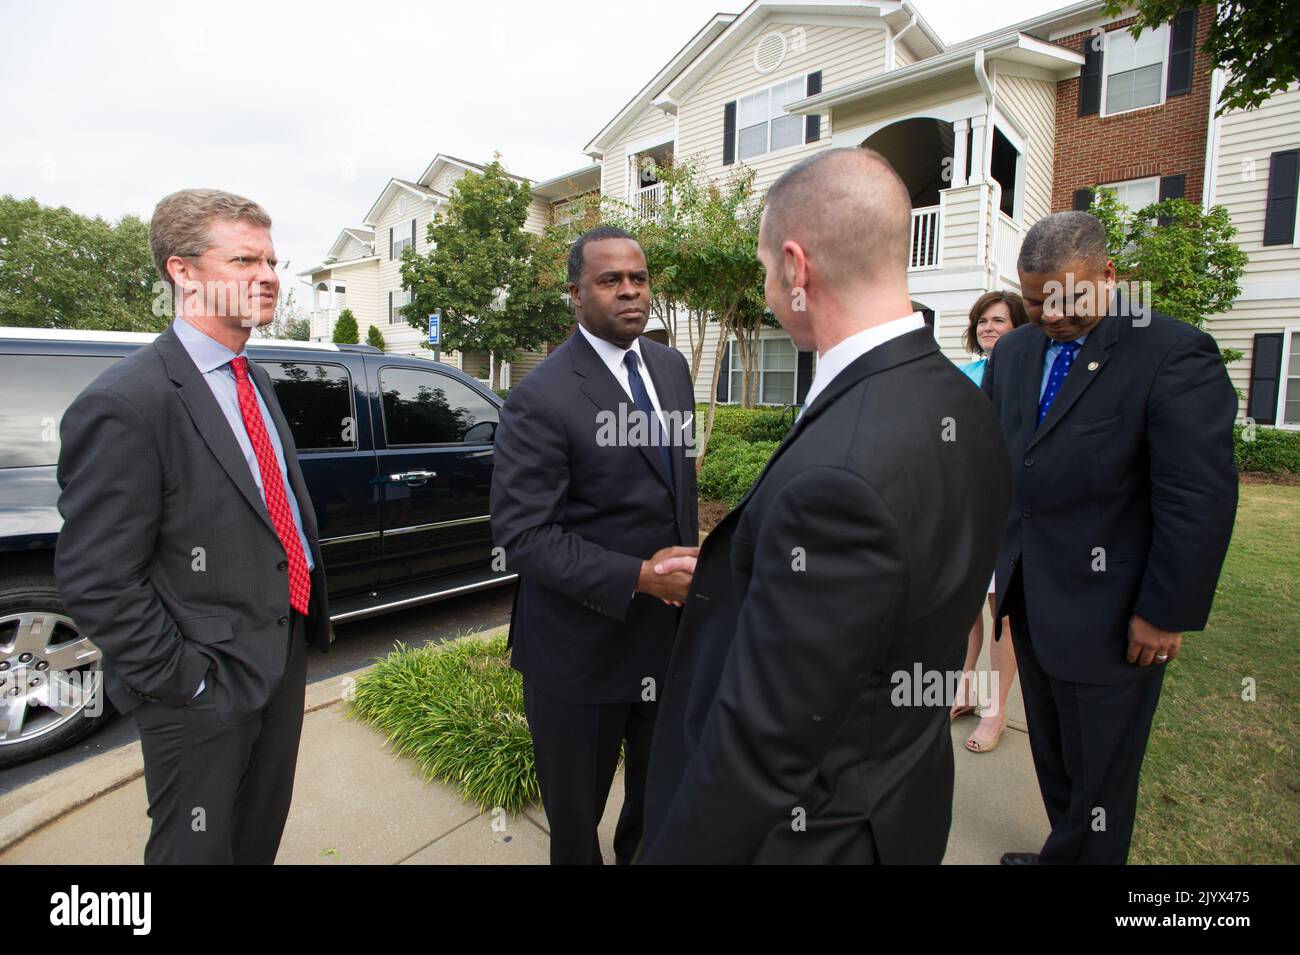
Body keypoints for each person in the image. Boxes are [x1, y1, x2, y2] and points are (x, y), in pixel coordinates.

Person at [640, 148, 1012, 864]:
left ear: (796, 266)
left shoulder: (839, 481)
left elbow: (763, 745)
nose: (767, 292)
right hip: (906, 796)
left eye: (763, 272)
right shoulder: (966, 403)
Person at [55, 189, 333, 864]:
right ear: (183, 272)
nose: (269, 275)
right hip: (200, 687)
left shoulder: (251, 378)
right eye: (244, 258)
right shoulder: (128, 402)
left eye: (272, 259)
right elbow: (96, 579)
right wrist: (187, 680)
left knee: (256, 837)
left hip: (280, 651)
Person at [982, 211, 1237, 864]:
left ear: (1109, 276)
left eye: (1067, 299)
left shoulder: (1172, 352)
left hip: (1116, 616)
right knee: (1055, 756)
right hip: (1029, 599)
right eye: (1035, 302)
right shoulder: (1012, 351)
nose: (1051, 317)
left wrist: (1164, 611)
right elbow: (1002, 462)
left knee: (1102, 780)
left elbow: (1196, 496)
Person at [489, 226, 699, 865]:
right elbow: (523, 537)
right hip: (578, 654)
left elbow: (674, 489)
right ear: (576, 293)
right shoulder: (540, 398)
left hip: (664, 641)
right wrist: (640, 576)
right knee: (576, 826)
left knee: (657, 799)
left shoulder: (670, 367)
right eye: (610, 281)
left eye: (638, 278)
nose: (630, 291)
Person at [951, 290, 1028, 754]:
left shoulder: (1030, 376)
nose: (988, 327)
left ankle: (995, 709)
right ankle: (962, 689)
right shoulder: (966, 374)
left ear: (1019, 325)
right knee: (965, 603)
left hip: (1015, 508)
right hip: (969, 504)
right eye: (982, 320)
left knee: (1002, 608)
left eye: (999, 320)